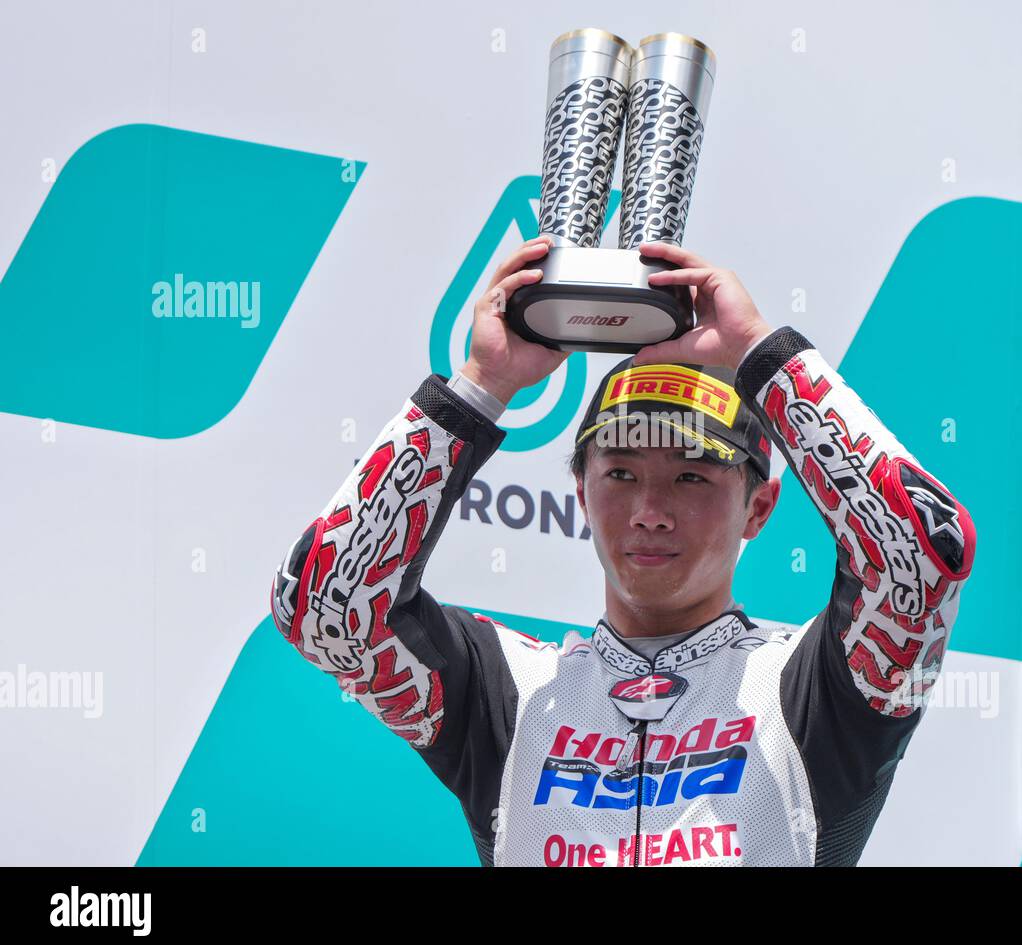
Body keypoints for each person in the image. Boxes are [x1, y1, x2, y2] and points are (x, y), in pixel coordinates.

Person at [270, 236, 976, 867]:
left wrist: (761, 353)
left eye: (691, 476)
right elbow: (325, 610)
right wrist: (479, 390)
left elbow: (922, 552)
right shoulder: (515, 695)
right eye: (621, 473)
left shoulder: (812, 690)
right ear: (579, 491)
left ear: (758, 507)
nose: (649, 511)